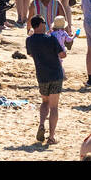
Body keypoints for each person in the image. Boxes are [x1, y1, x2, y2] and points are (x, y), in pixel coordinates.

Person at [26, 15, 66, 144]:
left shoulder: (29, 40)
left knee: (44, 102)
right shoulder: (51, 39)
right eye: (44, 22)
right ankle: (51, 137)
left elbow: (31, 54)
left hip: (42, 75)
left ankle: (42, 124)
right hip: (55, 74)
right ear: (41, 24)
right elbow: (62, 54)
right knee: (54, 107)